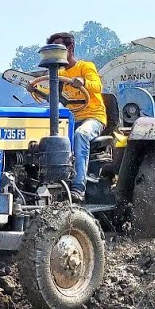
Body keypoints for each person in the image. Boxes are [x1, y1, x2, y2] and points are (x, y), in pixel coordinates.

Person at [48, 32, 106, 202]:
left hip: (93, 117)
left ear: (70, 48)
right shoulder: (57, 75)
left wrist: (83, 82)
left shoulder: (85, 67)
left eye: (59, 50)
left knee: (80, 135)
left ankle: (78, 188)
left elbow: (97, 86)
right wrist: (33, 88)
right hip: (71, 119)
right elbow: (48, 93)